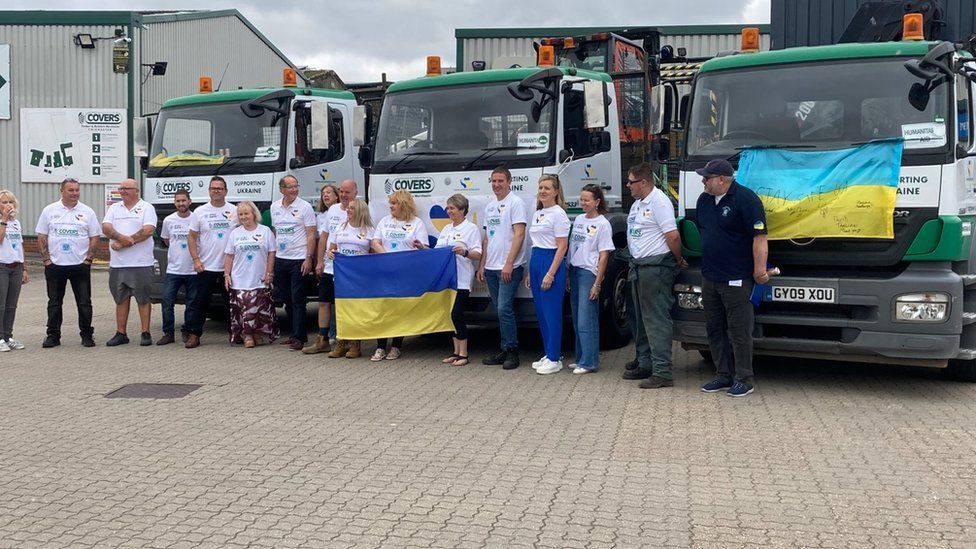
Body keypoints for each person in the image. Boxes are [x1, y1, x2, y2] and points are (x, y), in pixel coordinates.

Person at [695, 158, 768, 398]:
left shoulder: (746, 199)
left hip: (737, 277)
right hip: (710, 276)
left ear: (722, 179)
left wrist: (759, 271)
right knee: (714, 328)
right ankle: (722, 374)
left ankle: (744, 378)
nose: (703, 181)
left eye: (707, 178)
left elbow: (759, 237)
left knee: (739, 330)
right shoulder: (704, 200)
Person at [621, 163, 688, 389]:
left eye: (631, 182)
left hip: (655, 267)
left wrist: (677, 259)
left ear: (644, 182)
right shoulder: (638, 204)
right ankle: (645, 361)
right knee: (639, 318)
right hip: (639, 267)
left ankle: (662, 371)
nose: (628, 186)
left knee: (656, 320)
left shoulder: (659, 201)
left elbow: (673, 236)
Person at [36, 178, 101, 348]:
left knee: (84, 302)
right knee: (55, 303)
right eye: (71, 190)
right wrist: (46, 260)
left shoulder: (87, 212)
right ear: (62, 191)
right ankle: (53, 336)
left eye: (77, 190)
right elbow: (42, 236)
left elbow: (94, 237)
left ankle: (87, 335)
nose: (75, 193)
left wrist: (88, 259)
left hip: (80, 265)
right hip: (55, 266)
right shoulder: (49, 211)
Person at [477, 166, 528, 370]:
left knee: (504, 308)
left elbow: (519, 234)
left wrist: (508, 263)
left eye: (500, 181)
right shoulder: (490, 207)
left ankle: (513, 351)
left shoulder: (516, 203)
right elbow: (487, 237)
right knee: (500, 311)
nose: (496, 185)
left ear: (509, 181)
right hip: (491, 267)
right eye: (494, 181)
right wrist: (482, 265)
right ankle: (504, 349)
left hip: (509, 267)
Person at [370, 190, 429, 361]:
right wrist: (387, 257)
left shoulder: (417, 223)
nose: (391, 206)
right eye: (390, 203)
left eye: (394, 203)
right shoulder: (384, 221)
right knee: (383, 310)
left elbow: (423, 248)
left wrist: (419, 247)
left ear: (403, 204)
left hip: (405, 274)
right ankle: (380, 347)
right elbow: (375, 242)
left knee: (399, 311)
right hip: (385, 272)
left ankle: (396, 346)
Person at [102, 178, 158, 347]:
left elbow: (148, 230)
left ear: (136, 190)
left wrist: (127, 241)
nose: (123, 191)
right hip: (118, 264)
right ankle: (121, 333)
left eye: (126, 188)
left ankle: (145, 332)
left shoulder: (146, 208)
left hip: (140, 263)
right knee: (120, 299)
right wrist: (120, 238)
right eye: (121, 188)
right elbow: (106, 227)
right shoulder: (114, 208)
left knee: (143, 298)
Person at [566, 184, 615, 374]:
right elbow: (573, 247)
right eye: (582, 199)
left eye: (587, 200)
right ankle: (580, 357)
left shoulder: (603, 224)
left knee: (586, 319)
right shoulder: (578, 219)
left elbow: (604, 256)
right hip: (576, 271)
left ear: (597, 202)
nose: (583, 203)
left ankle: (589, 361)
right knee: (577, 316)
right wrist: (569, 272)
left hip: (589, 273)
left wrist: (597, 283)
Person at [185, 176, 238, 348]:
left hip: (229, 268)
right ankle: (194, 334)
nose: (217, 191)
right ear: (209, 191)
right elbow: (191, 238)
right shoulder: (200, 212)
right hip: (206, 266)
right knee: (200, 302)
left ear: (226, 191)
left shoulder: (235, 211)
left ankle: (235, 334)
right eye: (213, 188)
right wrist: (196, 259)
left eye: (220, 188)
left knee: (231, 303)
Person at [526, 174, 571, 375]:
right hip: (537, 259)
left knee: (552, 312)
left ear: (555, 191)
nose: (543, 191)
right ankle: (548, 352)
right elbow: (535, 243)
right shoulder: (538, 213)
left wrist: (551, 273)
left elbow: (562, 247)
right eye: (540, 187)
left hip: (551, 260)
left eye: (547, 188)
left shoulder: (558, 214)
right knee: (541, 312)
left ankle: (554, 358)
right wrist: (530, 271)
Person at [327, 199, 380, 359]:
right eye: (347, 208)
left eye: (351, 208)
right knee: (341, 309)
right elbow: (332, 248)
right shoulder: (340, 227)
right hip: (342, 275)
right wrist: (330, 254)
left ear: (359, 211)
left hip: (360, 277)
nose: (347, 211)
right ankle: (341, 342)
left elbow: (374, 252)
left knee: (356, 309)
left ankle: (356, 344)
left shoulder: (369, 230)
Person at [270, 175, 317, 351]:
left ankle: (300, 337)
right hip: (281, 258)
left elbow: (311, 233)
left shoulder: (304, 207)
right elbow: (276, 231)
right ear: (282, 189)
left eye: (296, 186)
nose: (294, 190)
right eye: (290, 187)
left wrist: (309, 257)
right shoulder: (275, 206)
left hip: (299, 259)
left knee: (298, 299)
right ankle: (293, 333)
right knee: (286, 298)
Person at [435, 194, 482, 367]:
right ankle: (455, 351)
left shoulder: (471, 229)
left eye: (452, 208)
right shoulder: (446, 229)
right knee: (450, 316)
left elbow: (478, 253)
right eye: (448, 208)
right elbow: (437, 252)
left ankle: (464, 353)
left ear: (462, 210)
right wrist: (422, 248)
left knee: (457, 314)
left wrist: (464, 252)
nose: (449, 211)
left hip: (461, 278)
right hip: (447, 280)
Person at [224, 201, 278, 348]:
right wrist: (226, 274)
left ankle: (257, 333)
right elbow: (229, 255)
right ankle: (246, 335)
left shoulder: (265, 231)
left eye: (246, 213)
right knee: (243, 308)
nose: (243, 217)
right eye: (240, 214)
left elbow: (271, 253)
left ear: (254, 214)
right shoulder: (235, 233)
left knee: (259, 308)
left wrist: (269, 272)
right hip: (240, 278)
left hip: (259, 276)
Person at [303, 183, 341, 354]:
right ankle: (323, 338)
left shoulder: (347, 211)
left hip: (341, 266)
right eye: (323, 193)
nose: (325, 196)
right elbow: (322, 238)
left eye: (329, 193)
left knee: (338, 304)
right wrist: (319, 260)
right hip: (327, 264)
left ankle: (340, 337)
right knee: (324, 302)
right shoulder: (322, 216)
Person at [157, 189, 197, 345]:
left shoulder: (196, 218)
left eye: (183, 200)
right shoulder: (169, 220)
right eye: (178, 201)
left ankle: (187, 331)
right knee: (167, 302)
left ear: (189, 201)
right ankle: (168, 333)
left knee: (191, 303)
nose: (181, 203)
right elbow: (167, 241)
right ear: (175, 203)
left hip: (193, 269)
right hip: (173, 269)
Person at [0, 190, 28, 352]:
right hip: (2, 267)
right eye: (4, 202)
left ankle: (8, 336)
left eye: (10, 202)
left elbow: (20, 245)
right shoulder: (2, 221)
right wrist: (4, 219)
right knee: (1, 305)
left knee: (11, 305)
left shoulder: (16, 223)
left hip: (15, 267)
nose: (8, 205)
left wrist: (24, 268)